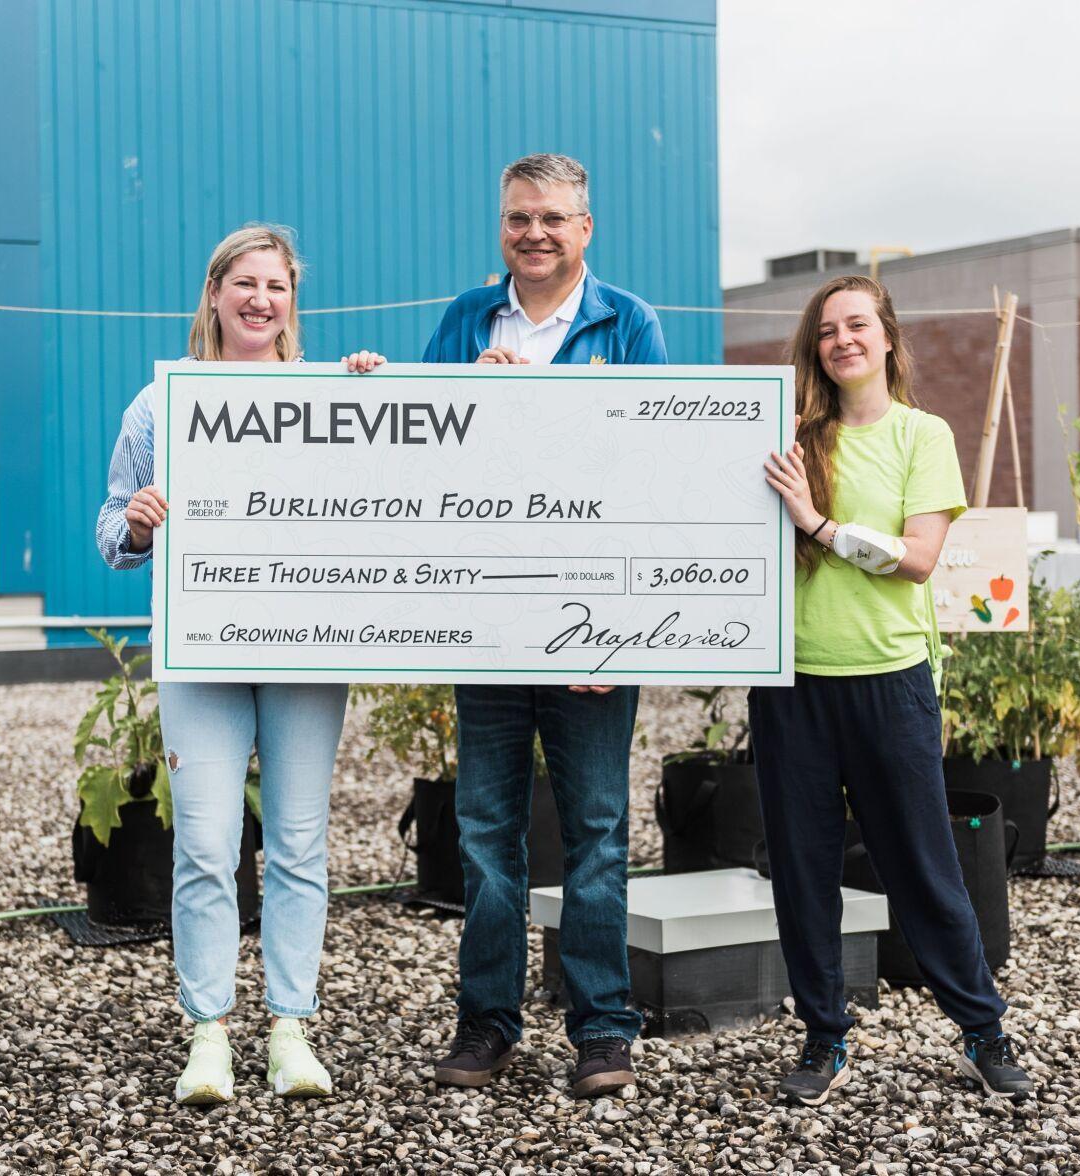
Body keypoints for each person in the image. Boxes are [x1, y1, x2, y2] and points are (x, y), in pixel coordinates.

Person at [96, 224, 385, 1105]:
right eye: (246, 283)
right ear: (215, 292)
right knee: (206, 843)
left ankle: (290, 1030)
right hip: (204, 653)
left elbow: (391, 489)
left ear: (293, 302)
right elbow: (110, 532)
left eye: (278, 286)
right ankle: (210, 1034)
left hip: (305, 650)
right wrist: (138, 523)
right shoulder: (160, 407)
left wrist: (376, 392)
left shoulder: (330, 394)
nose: (262, 300)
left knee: (298, 842)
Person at [421, 153, 667, 1098]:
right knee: (485, 833)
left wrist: (625, 628)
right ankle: (487, 1023)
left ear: (585, 227)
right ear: (502, 226)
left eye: (553, 218)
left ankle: (603, 1030)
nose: (534, 233)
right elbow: (414, 458)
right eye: (519, 217)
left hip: (591, 625)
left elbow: (655, 474)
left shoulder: (628, 323)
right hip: (486, 618)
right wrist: (463, 396)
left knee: (597, 830)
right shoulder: (465, 321)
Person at [756, 274, 1035, 1105]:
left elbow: (918, 559)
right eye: (827, 330)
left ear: (887, 338)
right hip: (791, 685)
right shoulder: (790, 436)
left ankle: (982, 1029)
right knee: (803, 874)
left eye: (857, 325)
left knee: (923, 867)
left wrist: (818, 523)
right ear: (815, 348)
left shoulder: (923, 435)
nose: (842, 340)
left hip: (889, 680)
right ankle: (824, 1036)